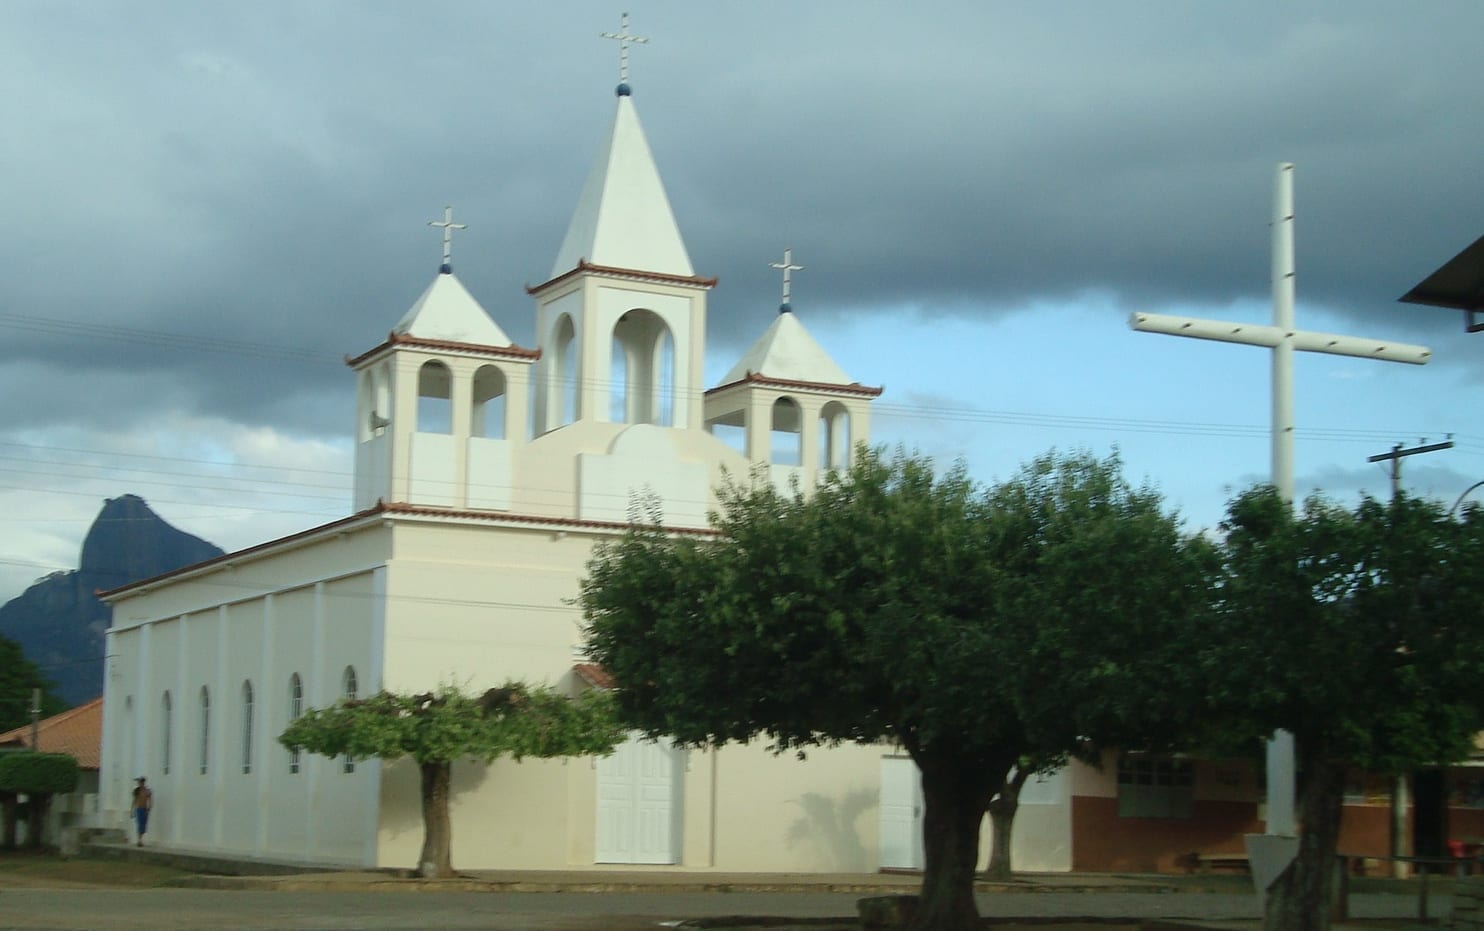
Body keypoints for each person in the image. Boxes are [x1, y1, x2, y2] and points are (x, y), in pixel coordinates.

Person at [131, 777, 153, 847]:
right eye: (140, 782)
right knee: (139, 824)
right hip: (139, 809)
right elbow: (134, 800)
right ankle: (139, 840)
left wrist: (149, 807)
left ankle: (141, 839)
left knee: (143, 825)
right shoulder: (137, 791)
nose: (141, 784)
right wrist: (132, 810)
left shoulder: (147, 791)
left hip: (145, 809)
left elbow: (149, 799)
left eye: (142, 782)